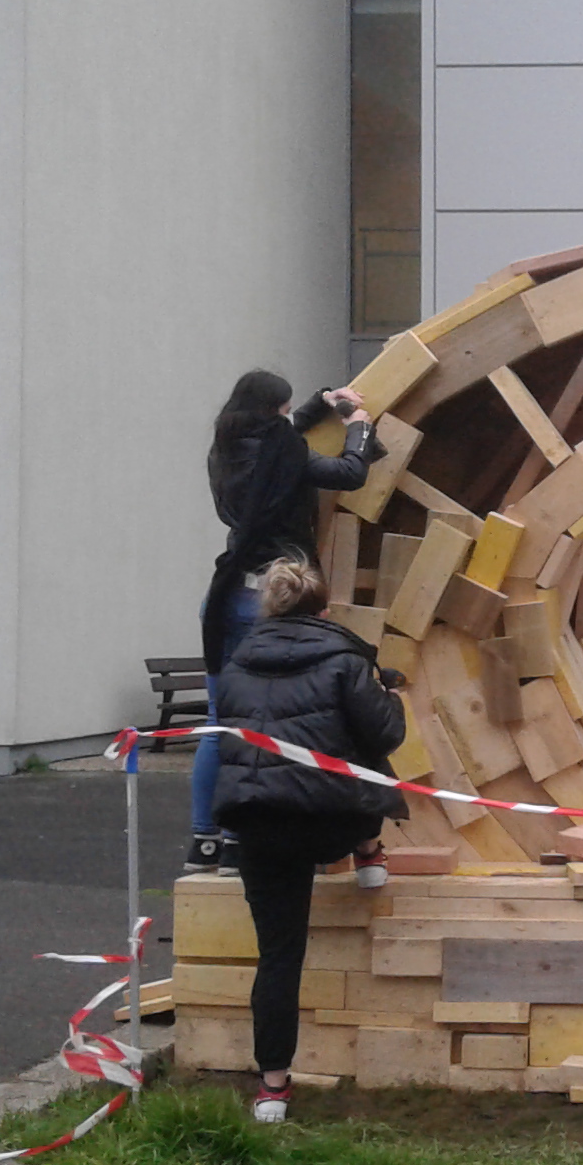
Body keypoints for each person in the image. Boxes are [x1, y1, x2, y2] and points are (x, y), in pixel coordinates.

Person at [211, 556, 409, 1123]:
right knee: (368, 762)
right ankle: (370, 853)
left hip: (257, 824)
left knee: (279, 955)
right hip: (330, 822)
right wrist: (388, 693)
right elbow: (387, 733)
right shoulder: (347, 660)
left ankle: (272, 1088)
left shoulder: (235, 665)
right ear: (324, 610)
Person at [187, 370, 375, 875]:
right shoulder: (282, 451)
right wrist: (358, 424)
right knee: (266, 725)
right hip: (270, 598)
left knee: (218, 723)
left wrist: (320, 404)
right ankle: (238, 842)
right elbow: (348, 473)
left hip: (225, 595)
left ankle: (206, 841)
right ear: (276, 411)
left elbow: (285, 434)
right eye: (288, 410)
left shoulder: (225, 446)